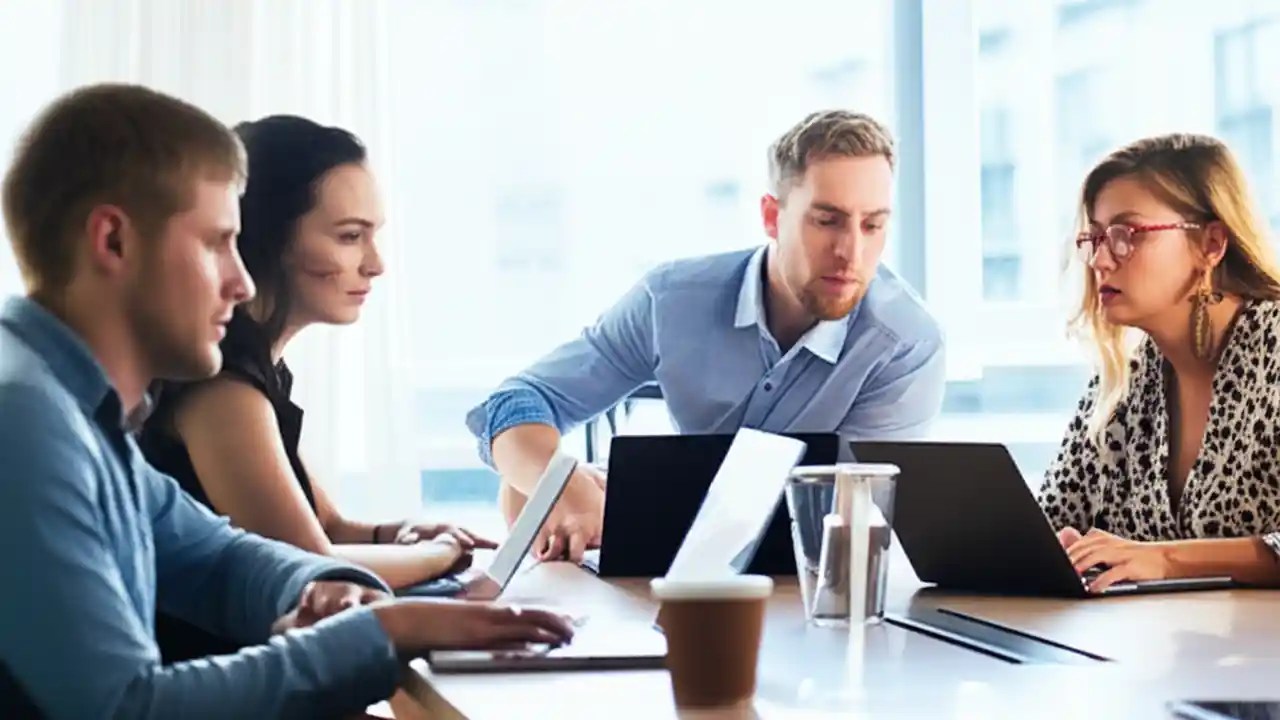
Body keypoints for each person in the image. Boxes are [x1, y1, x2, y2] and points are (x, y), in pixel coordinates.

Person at [0, 83, 571, 720]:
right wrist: (381, 631)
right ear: (114, 242)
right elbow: (126, 709)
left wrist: (329, 590)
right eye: (217, 242)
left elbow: (215, 558)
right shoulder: (24, 422)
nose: (240, 280)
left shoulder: (72, 407)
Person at [466, 109, 946, 562]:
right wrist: (566, 485)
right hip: (670, 585)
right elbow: (515, 404)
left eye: (873, 225)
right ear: (772, 217)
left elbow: (841, 523)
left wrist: (624, 504)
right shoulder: (672, 301)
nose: (851, 251)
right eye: (827, 221)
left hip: (806, 596)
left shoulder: (904, 344)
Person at [137, 114, 494, 661]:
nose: (374, 264)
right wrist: (443, 555)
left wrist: (401, 532)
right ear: (269, 239)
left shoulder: (260, 368)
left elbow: (329, 522)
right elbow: (310, 559)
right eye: (350, 237)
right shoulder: (223, 386)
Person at [1039, 133, 1280, 593]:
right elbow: (1053, 520)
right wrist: (1055, 547)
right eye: (1094, 238)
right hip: (1151, 655)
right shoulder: (1124, 379)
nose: (1101, 260)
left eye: (1127, 235)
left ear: (1211, 243)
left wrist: (1165, 559)